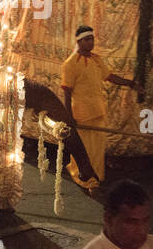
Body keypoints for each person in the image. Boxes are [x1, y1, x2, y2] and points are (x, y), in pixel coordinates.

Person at [60, 25, 140, 189]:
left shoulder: (97, 60)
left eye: (92, 39)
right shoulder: (70, 64)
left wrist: (130, 83)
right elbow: (67, 91)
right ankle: (82, 177)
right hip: (81, 113)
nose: (91, 43)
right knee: (84, 149)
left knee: (96, 149)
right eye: (87, 40)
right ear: (79, 42)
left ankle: (95, 177)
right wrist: (68, 116)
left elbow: (110, 77)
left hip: (98, 110)